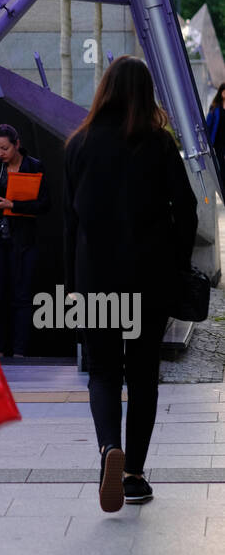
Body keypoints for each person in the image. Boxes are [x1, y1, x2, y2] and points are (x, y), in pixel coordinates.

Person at [63, 56, 198, 512]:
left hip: (95, 279)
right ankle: (135, 475)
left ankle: (107, 451)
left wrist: (71, 283)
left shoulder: (77, 145)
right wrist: (176, 262)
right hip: (149, 277)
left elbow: (70, 222)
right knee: (143, 375)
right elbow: (188, 210)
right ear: (146, 93)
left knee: (101, 372)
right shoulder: (159, 144)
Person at [0, 123, 50, 359]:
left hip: (22, 239)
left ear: (17, 144)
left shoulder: (34, 166)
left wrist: (13, 205)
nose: (0, 154)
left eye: (4, 148)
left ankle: (19, 352)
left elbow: (44, 205)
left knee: (22, 296)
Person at [205, 82, 225, 179]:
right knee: (222, 164)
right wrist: (207, 142)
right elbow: (208, 125)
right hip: (219, 142)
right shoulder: (215, 108)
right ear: (221, 93)